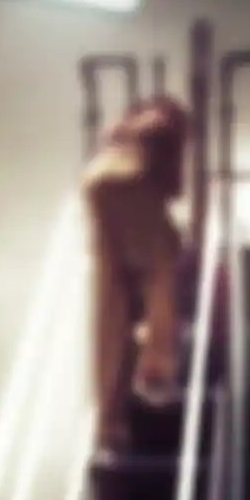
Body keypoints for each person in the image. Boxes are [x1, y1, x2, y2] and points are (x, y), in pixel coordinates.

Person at [81, 96, 190, 450]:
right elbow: (174, 187)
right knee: (161, 275)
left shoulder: (119, 134)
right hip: (130, 186)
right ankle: (157, 367)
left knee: (111, 306)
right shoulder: (161, 128)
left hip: (97, 185)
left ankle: (109, 420)